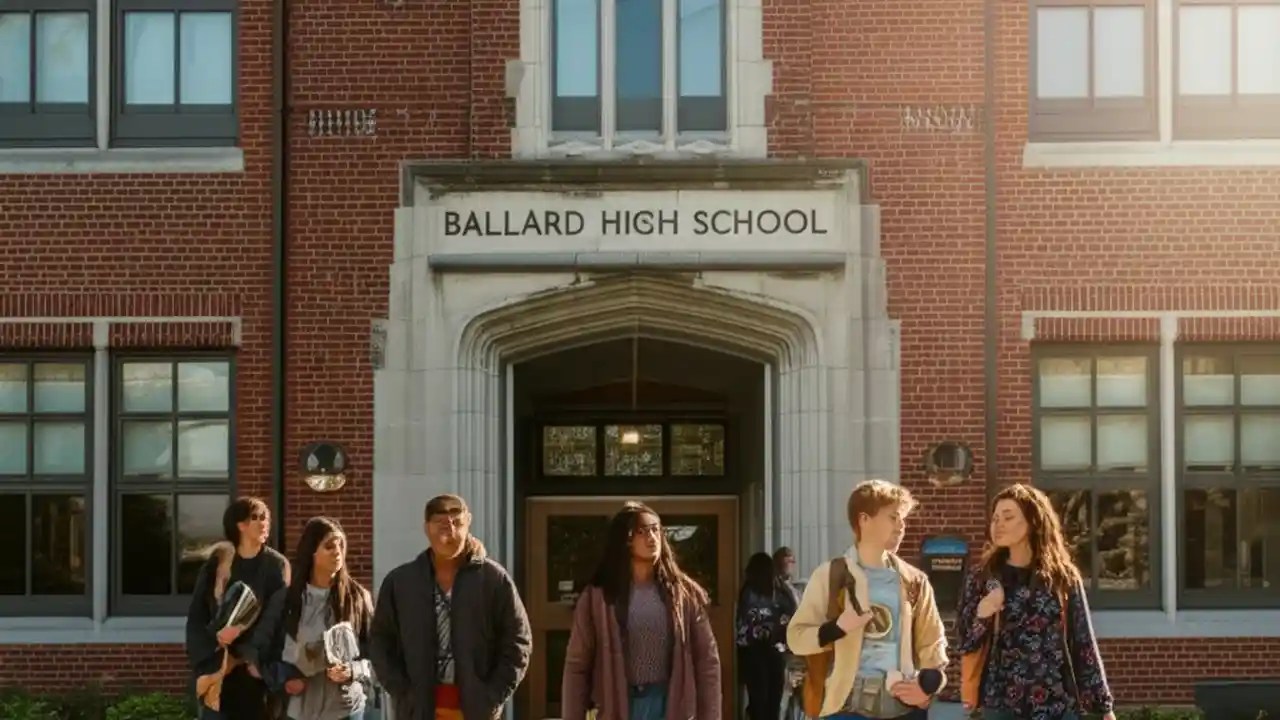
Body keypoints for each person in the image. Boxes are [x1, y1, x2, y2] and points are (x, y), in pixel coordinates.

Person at [786, 480, 948, 720]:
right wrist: (837, 628)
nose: (901, 526)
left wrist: (928, 686)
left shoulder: (914, 580)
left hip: (903, 708)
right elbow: (796, 637)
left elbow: (933, 647)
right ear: (864, 520)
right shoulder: (832, 575)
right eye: (893, 517)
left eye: (903, 519)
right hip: (846, 707)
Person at [956, 483, 1116, 720]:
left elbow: (1083, 643)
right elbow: (965, 641)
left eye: (1008, 517)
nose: (998, 524)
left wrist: (1103, 706)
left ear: (1033, 522)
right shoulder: (983, 578)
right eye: (995, 518)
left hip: (1057, 704)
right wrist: (984, 613)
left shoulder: (1063, 578)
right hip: (1001, 706)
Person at [369, 494, 532, 720]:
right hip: (418, 709)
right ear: (426, 528)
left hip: (476, 710)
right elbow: (380, 641)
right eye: (441, 524)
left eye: (457, 523)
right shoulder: (401, 582)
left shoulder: (493, 579)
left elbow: (518, 641)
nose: (450, 532)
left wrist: (492, 695)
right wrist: (402, 691)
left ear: (469, 523)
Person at [561, 501, 722, 720]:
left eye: (656, 530)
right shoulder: (598, 598)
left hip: (669, 705)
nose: (652, 537)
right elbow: (577, 667)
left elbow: (707, 661)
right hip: (618, 706)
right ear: (625, 540)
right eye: (642, 531)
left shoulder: (684, 595)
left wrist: (710, 715)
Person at [185, 497, 291, 720]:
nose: (264, 523)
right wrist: (211, 656)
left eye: (266, 518)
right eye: (256, 517)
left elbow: (278, 618)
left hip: (256, 674)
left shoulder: (276, 565)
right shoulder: (219, 563)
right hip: (219, 676)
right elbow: (197, 616)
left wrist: (250, 656)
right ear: (240, 525)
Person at [268, 516, 374, 720]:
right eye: (329, 546)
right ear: (312, 552)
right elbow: (265, 651)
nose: (337, 552)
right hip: (300, 709)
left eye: (341, 545)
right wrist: (285, 677)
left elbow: (378, 654)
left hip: (346, 709)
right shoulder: (287, 600)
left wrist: (353, 670)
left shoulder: (358, 597)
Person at [736, 552, 796, 720]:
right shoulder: (780, 591)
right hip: (775, 651)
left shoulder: (747, 592)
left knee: (758, 703)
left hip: (752, 653)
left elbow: (742, 624)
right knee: (773, 703)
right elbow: (792, 615)